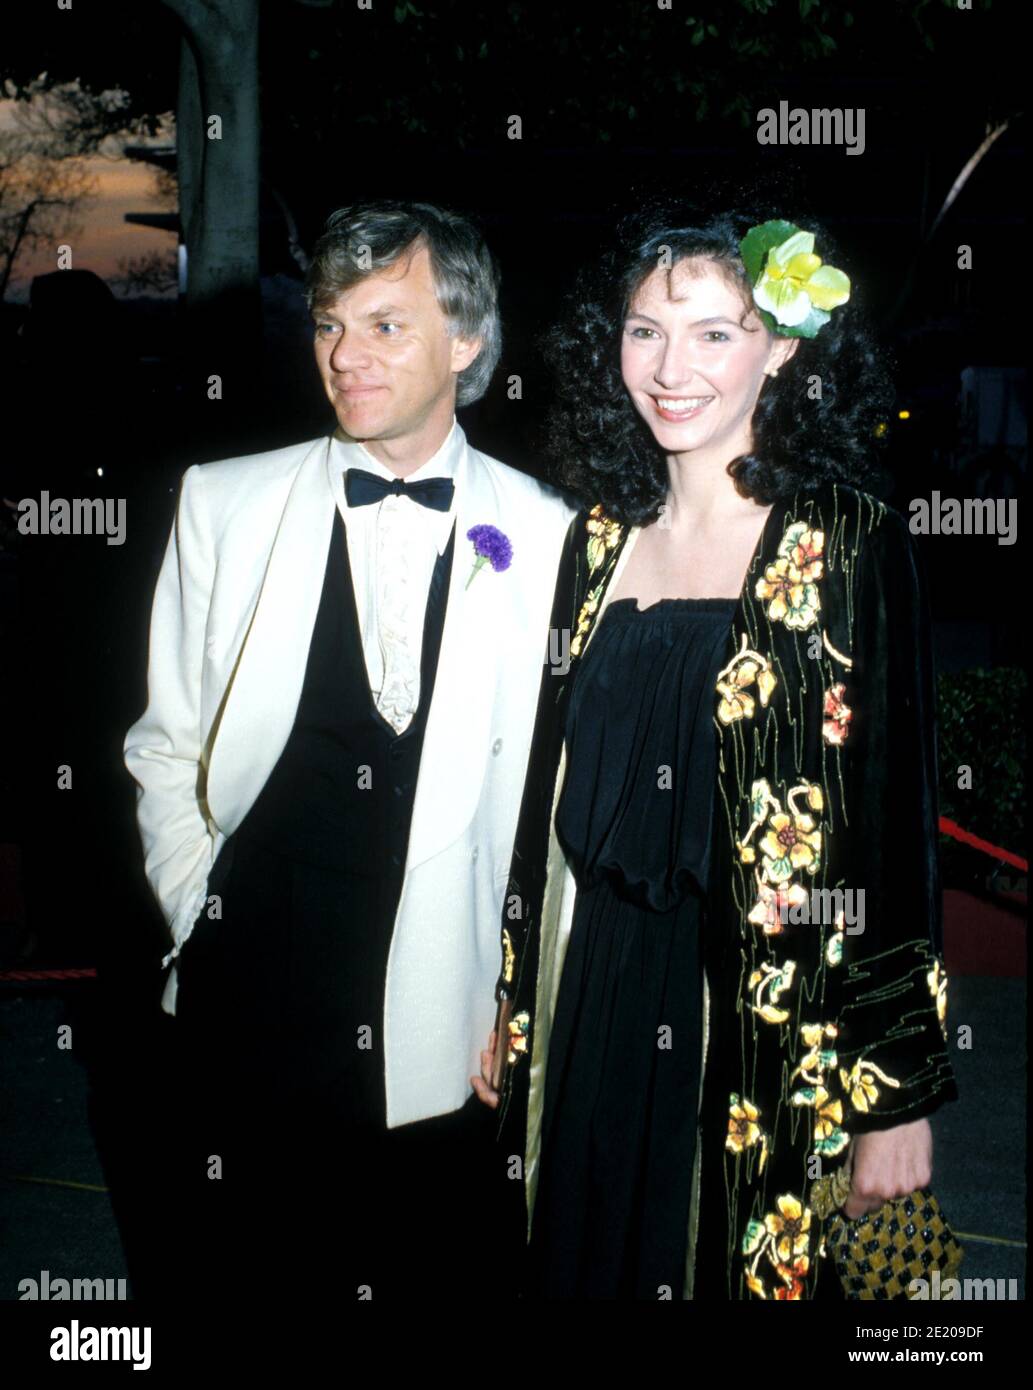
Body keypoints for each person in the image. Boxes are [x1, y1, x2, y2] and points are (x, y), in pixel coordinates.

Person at [473, 197, 959, 1300]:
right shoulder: (595, 535)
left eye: (712, 332)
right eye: (644, 329)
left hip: (764, 1014)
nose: (669, 366)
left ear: (781, 350)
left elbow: (892, 832)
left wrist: (897, 1094)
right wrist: (506, 1002)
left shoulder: (847, 538)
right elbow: (538, 798)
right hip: (589, 984)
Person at [123, 200, 575, 1299]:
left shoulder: (548, 530)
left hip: (437, 1010)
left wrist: (522, 997)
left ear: (466, 342)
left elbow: (548, 811)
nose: (346, 355)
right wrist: (197, 909)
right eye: (331, 324)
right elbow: (165, 744)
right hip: (246, 998)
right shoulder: (223, 504)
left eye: (386, 325)